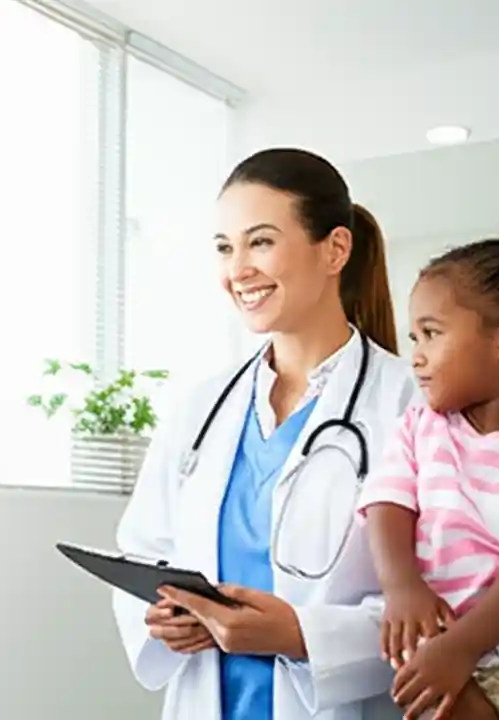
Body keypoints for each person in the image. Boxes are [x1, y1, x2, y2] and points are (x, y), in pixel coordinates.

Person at [112, 147, 419, 720]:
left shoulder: (410, 402)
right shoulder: (201, 406)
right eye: (226, 248)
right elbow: (146, 548)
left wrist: (302, 635)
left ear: (335, 249)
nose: (238, 270)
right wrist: (162, 617)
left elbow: (443, 594)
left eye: (261, 241)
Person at [358, 239, 499, 720]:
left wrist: (462, 648)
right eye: (414, 337)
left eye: (431, 334)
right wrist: (402, 587)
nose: (416, 356)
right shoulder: (421, 426)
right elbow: (386, 505)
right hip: (431, 647)